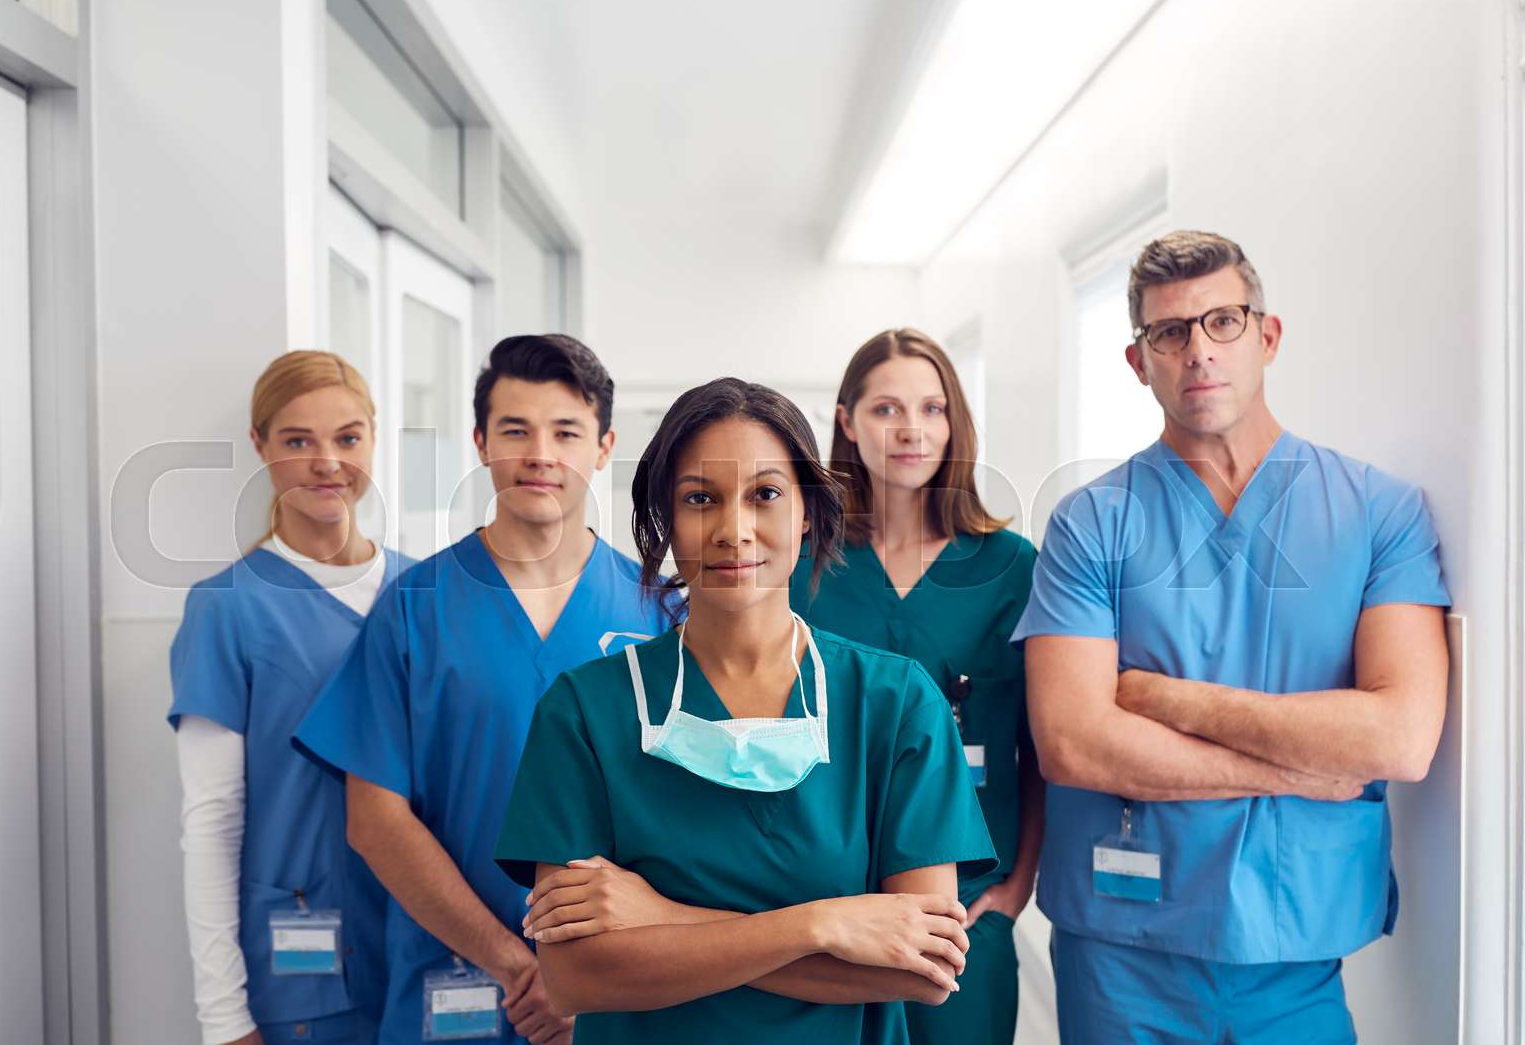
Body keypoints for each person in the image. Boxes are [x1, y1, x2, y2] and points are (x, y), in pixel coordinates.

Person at [1013, 231, 1451, 1043]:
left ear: (1267, 335)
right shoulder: (1090, 525)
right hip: (1121, 955)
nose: (1198, 351)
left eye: (1222, 322)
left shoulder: (1377, 513)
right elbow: (1075, 743)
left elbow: (1400, 737)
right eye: (1169, 332)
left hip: (1299, 951)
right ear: (1138, 361)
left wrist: (1168, 700)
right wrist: (1307, 768)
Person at [494, 377, 998, 1044]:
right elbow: (575, 977)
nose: (734, 530)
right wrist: (823, 925)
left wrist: (663, 917)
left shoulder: (895, 704)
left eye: (765, 494)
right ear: (666, 521)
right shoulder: (585, 712)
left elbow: (925, 968)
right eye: (700, 498)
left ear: (808, 513)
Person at [293, 334, 668, 1045]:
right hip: (452, 987)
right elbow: (374, 820)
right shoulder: (415, 605)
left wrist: (588, 980)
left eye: (566, 431)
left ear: (605, 445)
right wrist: (519, 970)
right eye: (515, 430)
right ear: (480, 441)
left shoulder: (659, 613)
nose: (540, 454)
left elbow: (691, 823)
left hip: (621, 996)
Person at [791, 328, 1040, 1045]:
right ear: (846, 421)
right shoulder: (805, 565)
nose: (912, 430)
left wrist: (1018, 885)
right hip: (827, 904)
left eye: (932, 409)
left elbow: (1039, 747)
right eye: (887, 409)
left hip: (966, 911)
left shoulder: (1009, 567)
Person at [169, 350, 398, 1045]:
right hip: (299, 979)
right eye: (298, 440)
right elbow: (211, 825)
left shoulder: (424, 594)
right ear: (260, 446)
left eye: (348, 437)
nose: (326, 461)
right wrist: (223, 1016)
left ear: (373, 441)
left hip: (430, 958)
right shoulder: (226, 608)